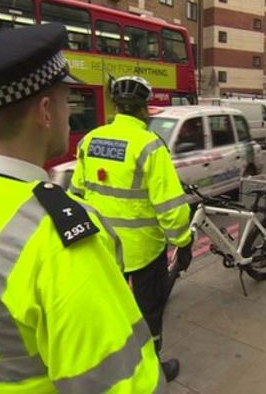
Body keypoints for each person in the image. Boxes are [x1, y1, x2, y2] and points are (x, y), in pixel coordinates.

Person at [0, 23, 165, 393]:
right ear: (45, 111)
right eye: (66, 102)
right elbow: (122, 384)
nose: (69, 116)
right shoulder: (60, 242)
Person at [70, 76, 192, 382]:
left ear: (116, 106)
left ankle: (108, 366)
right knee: (149, 313)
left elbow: (76, 195)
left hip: (100, 248)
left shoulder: (90, 140)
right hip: (142, 251)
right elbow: (171, 208)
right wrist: (184, 241)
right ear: (143, 110)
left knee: (109, 309)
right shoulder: (150, 146)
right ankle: (152, 370)